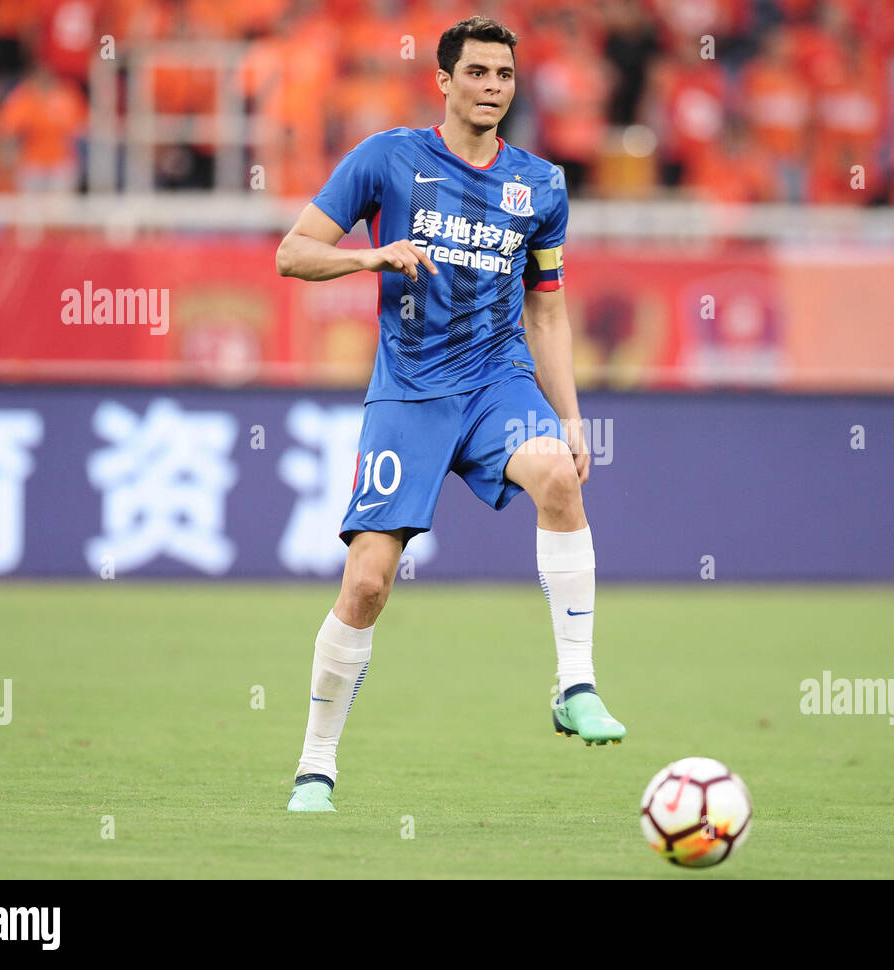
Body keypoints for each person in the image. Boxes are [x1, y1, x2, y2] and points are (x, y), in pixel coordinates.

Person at [274, 15, 625, 813]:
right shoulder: (387, 159)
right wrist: (371, 255)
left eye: (504, 75)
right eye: (476, 73)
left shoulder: (540, 185)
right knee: (367, 584)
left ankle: (576, 684)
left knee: (558, 481)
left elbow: (548, 311)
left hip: (497, 382)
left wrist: (570, 416)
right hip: (410, 394)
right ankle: (316, 765)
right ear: (444, 80)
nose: (492, 87)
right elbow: (292, 252)